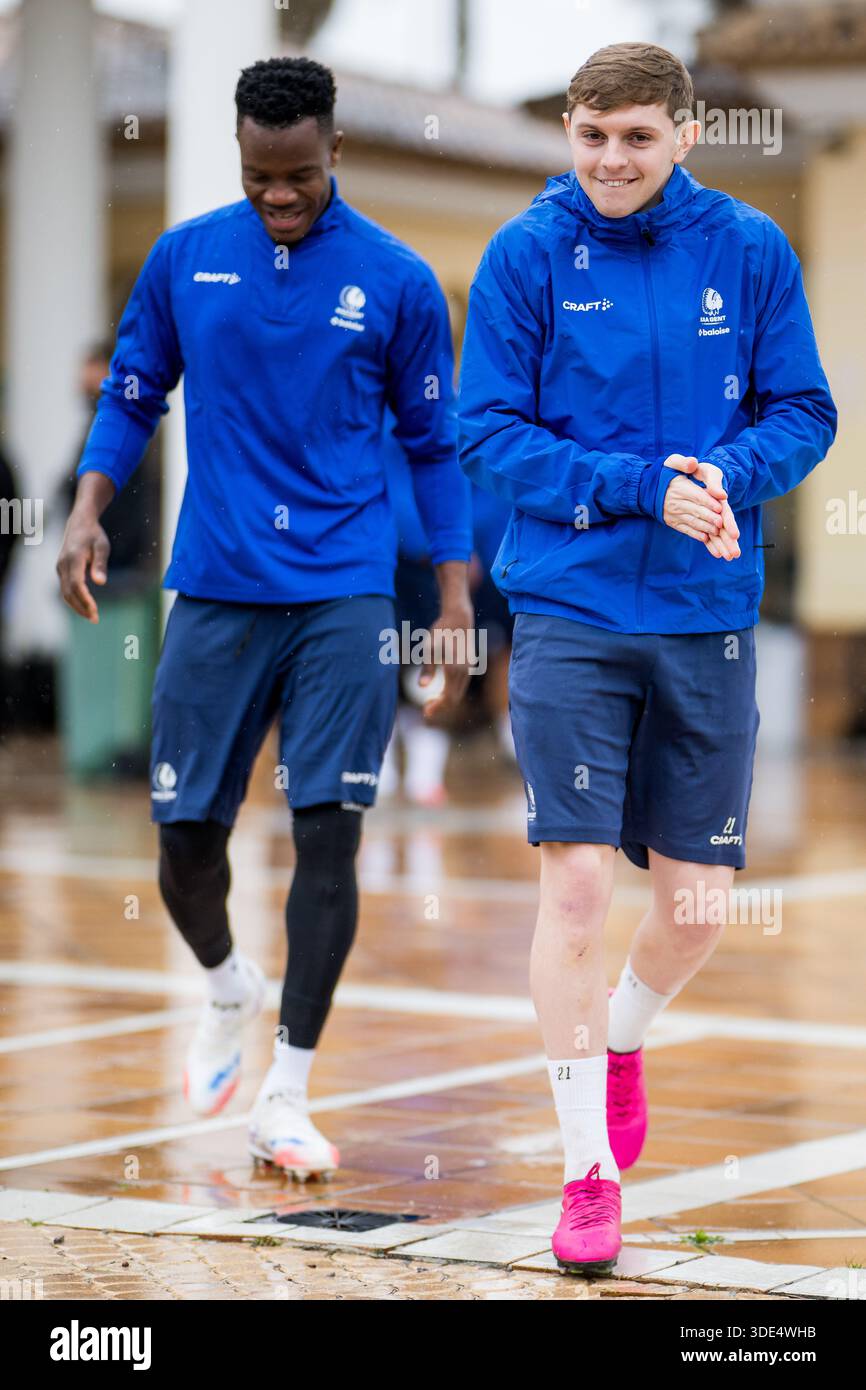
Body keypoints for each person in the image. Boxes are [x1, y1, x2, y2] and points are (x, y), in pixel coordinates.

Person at [57, 57, 473, 1180]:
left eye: (295, 177)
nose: (276, 197)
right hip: (218, 583)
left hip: (340, 591)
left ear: (333, 151)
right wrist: (90, 507)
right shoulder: (187, 257)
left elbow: (434, 446)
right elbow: (134, 389)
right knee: (184, 838)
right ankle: (226, 984)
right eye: (257, 178)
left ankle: (285, 1090)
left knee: (328, 830)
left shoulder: (393, 279)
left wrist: (448, 592)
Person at [458, 42, 836, 1274]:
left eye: (634, 137)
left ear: (683, 133)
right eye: (589, 136)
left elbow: (804, 411)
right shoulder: (526, 255)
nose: (609, 160)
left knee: (693, 907)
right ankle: (584, 1170)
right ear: (568, 132)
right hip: (566, 606)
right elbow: (486, 432)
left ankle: (620, 1036)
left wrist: (724, 474)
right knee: (573, 886)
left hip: (704, 614)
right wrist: (634, 486)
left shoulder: (748, 247)